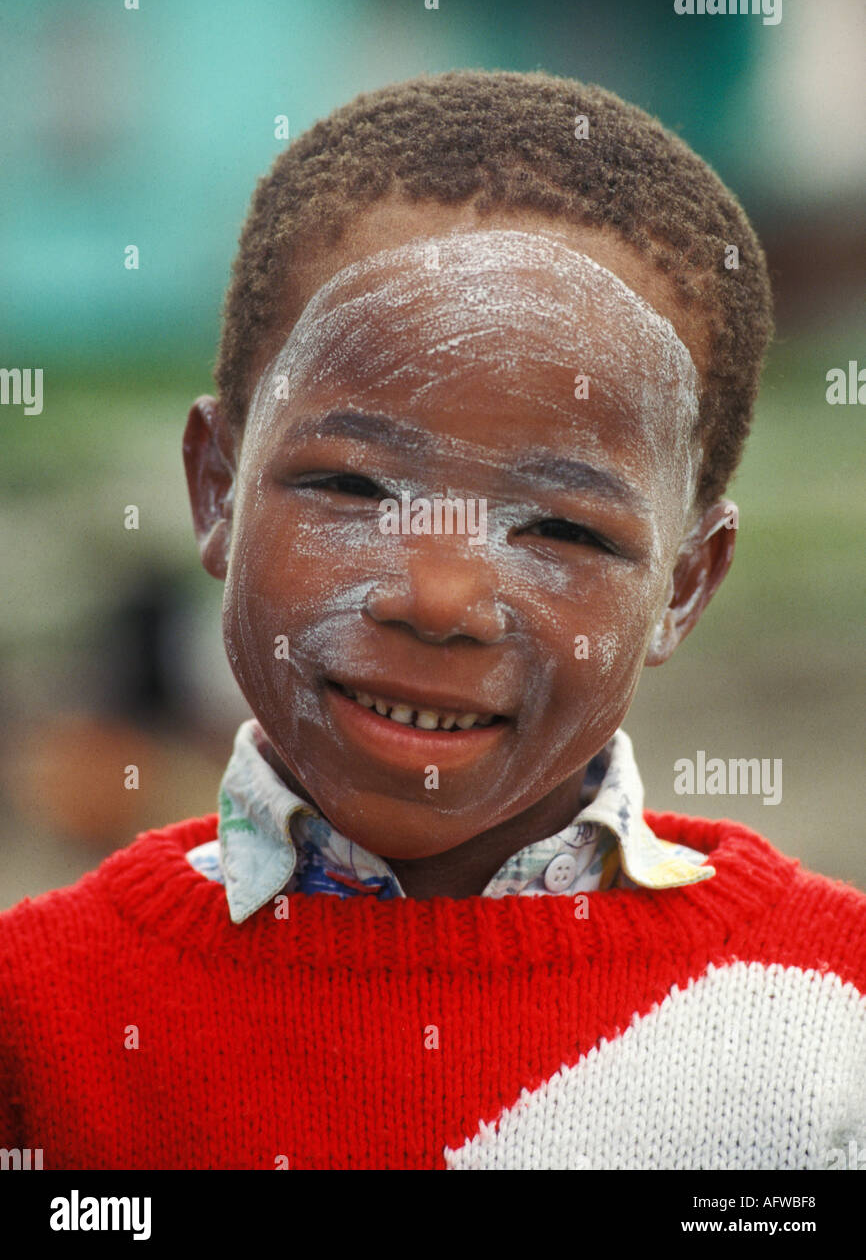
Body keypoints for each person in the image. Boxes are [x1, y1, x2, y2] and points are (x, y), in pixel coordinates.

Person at [2, 70, 863, 1170]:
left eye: (563, 530)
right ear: (215, 488)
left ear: (687, 583)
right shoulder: (35, 1030)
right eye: (352, 489)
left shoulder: (828, 1024)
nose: (440, 596)